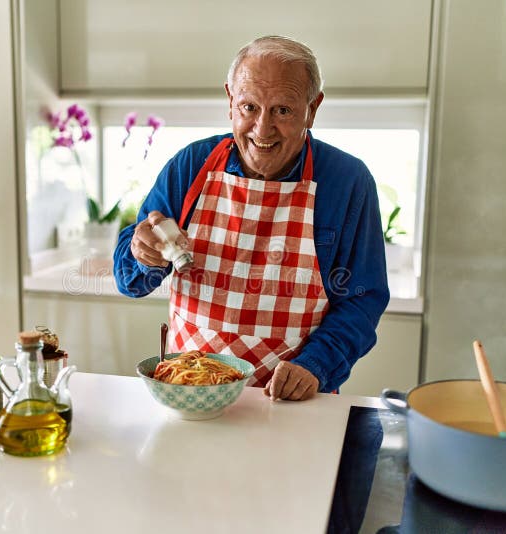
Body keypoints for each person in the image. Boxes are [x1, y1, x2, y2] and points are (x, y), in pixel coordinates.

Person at [113, 35, 389, 401]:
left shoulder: (348, 182)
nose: (262, 129)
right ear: (230, 100)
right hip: (190, 396)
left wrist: (316, 366)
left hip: (292, 402)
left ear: (313, 107)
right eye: (249, 108)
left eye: (283, 111)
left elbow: (362, 299)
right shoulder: (189, 166)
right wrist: (142, 253)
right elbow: (130, 280)